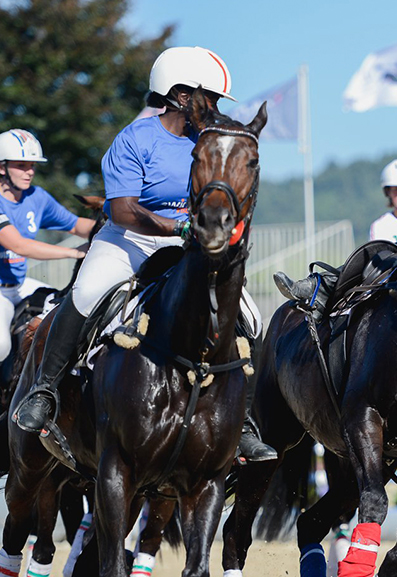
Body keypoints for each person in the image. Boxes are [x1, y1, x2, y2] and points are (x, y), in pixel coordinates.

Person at [13, 46, 276, 461]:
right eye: (208, 99)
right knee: (85, 294)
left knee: (251, 318)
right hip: (128, 242)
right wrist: (178, 226)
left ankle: (242, 422)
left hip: (188, 246)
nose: (214, 109)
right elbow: (122, 209)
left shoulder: (207, 141)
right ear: (182, 97)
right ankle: (44, 389)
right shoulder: (134, 139)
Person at [274, 157, 397, 319]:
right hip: (393, 282)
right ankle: (321, 289)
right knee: (371, 256)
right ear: (387, 192)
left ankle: (320, 287)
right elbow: (381, 265)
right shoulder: (381, 225)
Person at [0, 129, 95, 362]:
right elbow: (20, 246)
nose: (30, 171)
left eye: (32, 165)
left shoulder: (37, 197)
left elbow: (76, 225)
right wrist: (74, 252)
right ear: (2, 167)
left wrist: (116, 224)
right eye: (21, 165)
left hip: (21, 284)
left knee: (62, 315)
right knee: (1, 346)